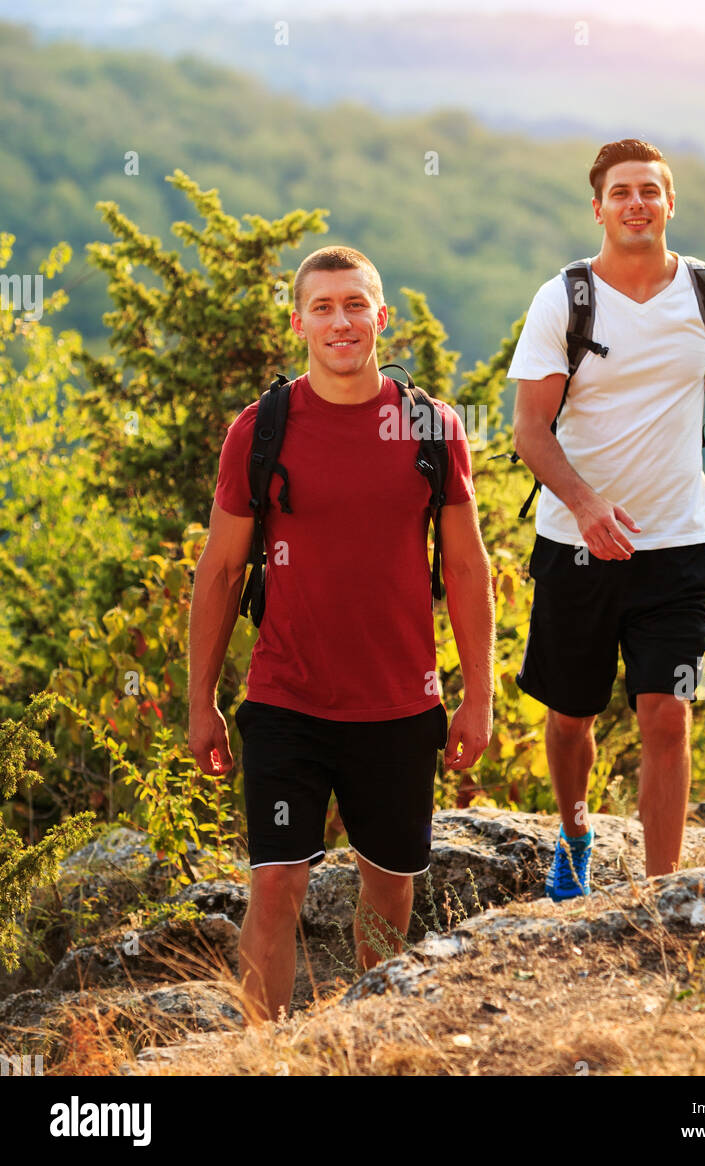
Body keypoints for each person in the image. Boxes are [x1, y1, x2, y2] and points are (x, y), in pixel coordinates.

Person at [187, 245, 495, 1021]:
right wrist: (200, 702)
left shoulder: (428, 425)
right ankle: (263, 1058)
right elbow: (220, 571)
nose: (341, 322)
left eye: (355, 304)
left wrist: (479, 696)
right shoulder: (261, 429)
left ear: (381, 316)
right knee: (275, 882)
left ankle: (371, 1040)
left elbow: (467, 567)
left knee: (389, 887)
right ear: (299, 324)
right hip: (287, 698)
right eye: (322, 307)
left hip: (398, 703)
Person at [508, 139, 705, 899]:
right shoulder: (564, 299)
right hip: (576, 547)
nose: (636, 204)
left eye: (649, 191)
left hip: (675, 545)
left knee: (666, 714)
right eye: (621, 192)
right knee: (571, 720)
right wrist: (587, 506)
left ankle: (662, 893)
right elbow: (529, 429)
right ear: (598, 208)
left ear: (670, 203)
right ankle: (575, 837)